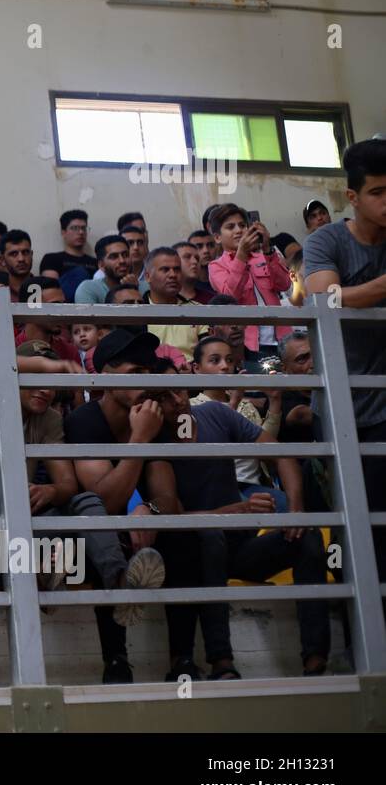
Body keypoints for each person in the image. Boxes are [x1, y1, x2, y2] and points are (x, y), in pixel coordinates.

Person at [0, 341, 166, 681]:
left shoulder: (48, 420)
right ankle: (35, 573)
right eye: (35, 378)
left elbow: (66, 483)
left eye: (51, 384)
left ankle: (121, 583)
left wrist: (51, 490)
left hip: (25, 527)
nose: (46, 390)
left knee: (86, 501)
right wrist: (47, 366)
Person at [154, 375, 329, 678]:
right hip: (195, 556)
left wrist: (296, 512)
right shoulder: (155, 442)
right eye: (166, 396)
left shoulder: (215, 414)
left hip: (239, 549)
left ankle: (315, 659)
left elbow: (281, 455)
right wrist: (233, 511)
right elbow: (174, 519)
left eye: (179, 390)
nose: (178, 400)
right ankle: (221, 661)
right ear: (153, 404)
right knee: (210, 538)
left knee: (307, 534)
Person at [62, 330, 203, 681]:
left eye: (148, 373)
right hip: (98, 531)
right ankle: (116, 662)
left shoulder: (154, 417)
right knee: (104, 538)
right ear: (106, 375)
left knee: (186, 538)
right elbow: (105, 500)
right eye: (134, 374)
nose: (145, 382)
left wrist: (150, 511)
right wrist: (139, 438)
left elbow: (168, 499)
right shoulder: (85, 420)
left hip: (144, 530)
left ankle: (182, 662)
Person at [302, 138, 386, 571]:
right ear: (352, 197)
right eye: (378, 192)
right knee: (355, 527)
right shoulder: (326, 241)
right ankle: (357, 631)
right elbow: (324, 299)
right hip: (343, 407)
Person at [191, 336, 285, 506]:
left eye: (229, 360)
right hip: (217, 488)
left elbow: (264, 448)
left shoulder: (245, 405)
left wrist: (275, 401)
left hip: (252, 486)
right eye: (215, 360)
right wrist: (233, 403)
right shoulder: (192, 407)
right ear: (197, 368)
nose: (225, 366)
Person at [207, 203, 291, 369]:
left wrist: (267, 249)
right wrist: (241, 257)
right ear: (217, 237)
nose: (238, 230)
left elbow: (285, 284)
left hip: (283, 340)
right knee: (262, 392)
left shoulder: (264, 256)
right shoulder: (216, 266)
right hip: (250, 346)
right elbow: (230, 295)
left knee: (289, 392)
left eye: (242, 225)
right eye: (230, 227)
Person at [141, 247, 209, 363]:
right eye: (165, 269)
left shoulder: (198, 309)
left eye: (177, 269)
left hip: (192, 376)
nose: (173, 275)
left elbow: (207, 354)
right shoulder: (138, 310)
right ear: (148, 277)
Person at [74, 235, 134, 306]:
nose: (122, 261)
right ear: (101, 265)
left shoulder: (145, 287)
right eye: (114, 257)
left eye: (125, 255)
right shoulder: (88, 289)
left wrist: (134, 289)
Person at [39, 209, 97, 283]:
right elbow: (51, 290)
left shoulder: (95, 262)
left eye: (83, 228)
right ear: (63, 233)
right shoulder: (51, 259)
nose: (81, 232)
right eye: (75, 228)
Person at [0, 228, 34, 301]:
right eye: (14, 254)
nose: (21, 259)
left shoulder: (44, 289)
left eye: (25, 252)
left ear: (31, 255)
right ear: (2, 260)